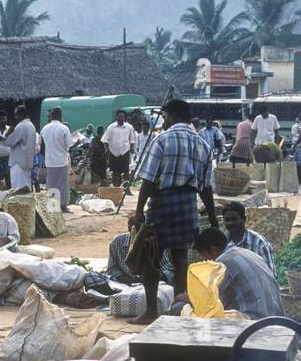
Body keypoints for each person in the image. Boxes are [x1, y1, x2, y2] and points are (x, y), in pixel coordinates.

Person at [133, 99, 219, 323]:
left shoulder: (162, 140)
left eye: (165, 117)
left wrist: (139, 210)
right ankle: (178, 310)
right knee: (181, 258)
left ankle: (151, 311)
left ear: (172, 115)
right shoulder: (203, 145)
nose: (164, 121)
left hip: (162, 202)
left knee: (152, 258)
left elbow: (149, 180)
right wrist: (212, 219)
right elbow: (206, 187)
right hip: (188, 204)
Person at [193, 226, 284, 319]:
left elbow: (208, 301)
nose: (205, 260)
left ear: (214, 250)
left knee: (184, 308)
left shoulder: (222, 263)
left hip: (256, 322)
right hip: (277, 319)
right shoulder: (246, 252)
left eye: (205, 256)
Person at [220, 201, 275, 272]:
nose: (230, 223)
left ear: (244, 219)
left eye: (234, 219)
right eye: (227, 220)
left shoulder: (259, 242)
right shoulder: (222, 243)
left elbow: (270, 274)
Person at [40, 106, 73, 208]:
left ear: (51, 116)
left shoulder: (44, 129)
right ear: (60, 116)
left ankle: (52, 206)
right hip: (61, 160)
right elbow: (69, 144)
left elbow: (42, 147)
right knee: (62, 184)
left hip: (50, 160)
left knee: (51, 183)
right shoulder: (64, 128)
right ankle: (63, 206)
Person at [4, 104, 37, 190]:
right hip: (27, 162)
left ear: (21, 115)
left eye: (16, 115)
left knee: (18, 189)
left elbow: (9, 142)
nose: (16, 117)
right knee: (26, 186)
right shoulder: (31, 125)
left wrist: (8, 133)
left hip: (18, 163)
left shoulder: (21, 126)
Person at [101, 109, 137, 186]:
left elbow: (132, 140)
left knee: (126, 171)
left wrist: (132, 149)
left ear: (125, 118)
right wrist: (106, 149)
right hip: (114, 153)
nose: (120, 118)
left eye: (122, 117)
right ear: (116, 117)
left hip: (125, 152)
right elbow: (105, 140)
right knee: (115, 171)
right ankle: (116, 187)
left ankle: (126, 188)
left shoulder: (129, 127)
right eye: (119, 116)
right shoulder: (111, 127)